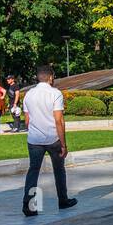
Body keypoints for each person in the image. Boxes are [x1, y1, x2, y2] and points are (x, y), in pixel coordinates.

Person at [22, 64, 76, 216]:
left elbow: (27, 120)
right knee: (59, 170)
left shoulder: (28, 94)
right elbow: (58, 120)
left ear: (38, 77)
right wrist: (64, 144)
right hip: (53, 138)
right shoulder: (55, 93)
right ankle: (63, 200)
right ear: (51, 77)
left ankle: (30, 206)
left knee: (33, 171)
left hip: (34, 139)